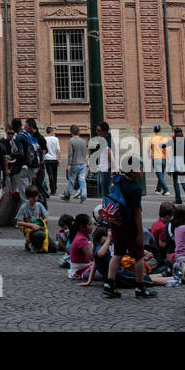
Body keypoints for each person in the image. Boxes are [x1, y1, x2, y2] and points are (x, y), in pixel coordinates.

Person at [102, 159, 154, 299]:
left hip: (116, 222)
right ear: (132, 171)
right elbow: (137, 211)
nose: (141, 170)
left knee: (117, 253)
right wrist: (140, 233)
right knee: (138, 255)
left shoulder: (118, 179)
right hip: (129, 224)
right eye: (139, 168)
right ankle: (140, 286)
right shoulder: (136, 188)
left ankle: (109, 284)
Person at [15, 185, 49, 249]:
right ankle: (30, 243)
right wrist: (31, 225)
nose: (36, 198)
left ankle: (33, 244)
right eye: (33, 197)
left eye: (37, 196)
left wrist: (40, 224)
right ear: (28, 197)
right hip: (29, 230)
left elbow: (46, 218)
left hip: (40, 228)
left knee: (53, 247)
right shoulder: (24, 207)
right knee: (41, 235)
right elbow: (18, 222)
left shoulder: (39, 205)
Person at [67, 214, 97, 281]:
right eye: (89, 225)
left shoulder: (79, 236)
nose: (92, 227)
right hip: (81, 270)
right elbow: (92, 257)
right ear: (82, 227)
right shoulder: (82, 239)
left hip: (78, 267)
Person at [170, 127, 185, 204]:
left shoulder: (173, 141)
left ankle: (178, 199)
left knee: (176, 182)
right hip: (183, 162)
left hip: (176, 163)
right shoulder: (184, 141)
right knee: (183, 179)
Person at [64, 124, 88, 202]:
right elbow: (85, 152)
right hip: (83, 164)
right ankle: (83, 195)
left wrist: (68, 165)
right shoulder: (83, 141)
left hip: (74, 164)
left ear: (71, 132)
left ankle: (67, 195)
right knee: (82, 180)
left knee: (71, 180)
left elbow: (70, 154)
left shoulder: (71, 141)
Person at [92, 121, 114, 199]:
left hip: (106, 168)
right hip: (101, 167)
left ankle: (107, 205)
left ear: (104, 131)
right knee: (102, 187)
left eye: (98, 130)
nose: (97, 132)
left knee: (105, 189)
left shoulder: (108, 140)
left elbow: (109, 153)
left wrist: (113, 168)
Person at [148, 124, 170, 195]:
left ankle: (166, 190)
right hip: (163, 158)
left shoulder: (152, 139)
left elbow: (148, 150)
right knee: (161, 175)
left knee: (159, 175)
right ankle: (158, 189)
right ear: (160, 130)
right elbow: (167, 150)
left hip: (156, 158)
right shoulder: (164, 139)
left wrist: (149, 157)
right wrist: (168, 159)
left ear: (154, 130)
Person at [42, 126, 61, 196]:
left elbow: (43, 150)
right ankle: (54, 189)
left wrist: (42, 158)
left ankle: (52, 189)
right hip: (54, 159)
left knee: (50, 174)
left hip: (47, 159)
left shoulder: (44, 139)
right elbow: (58, 150)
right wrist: (59, 159)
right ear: (52, 132)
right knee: (55, 174)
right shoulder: (56, 139)